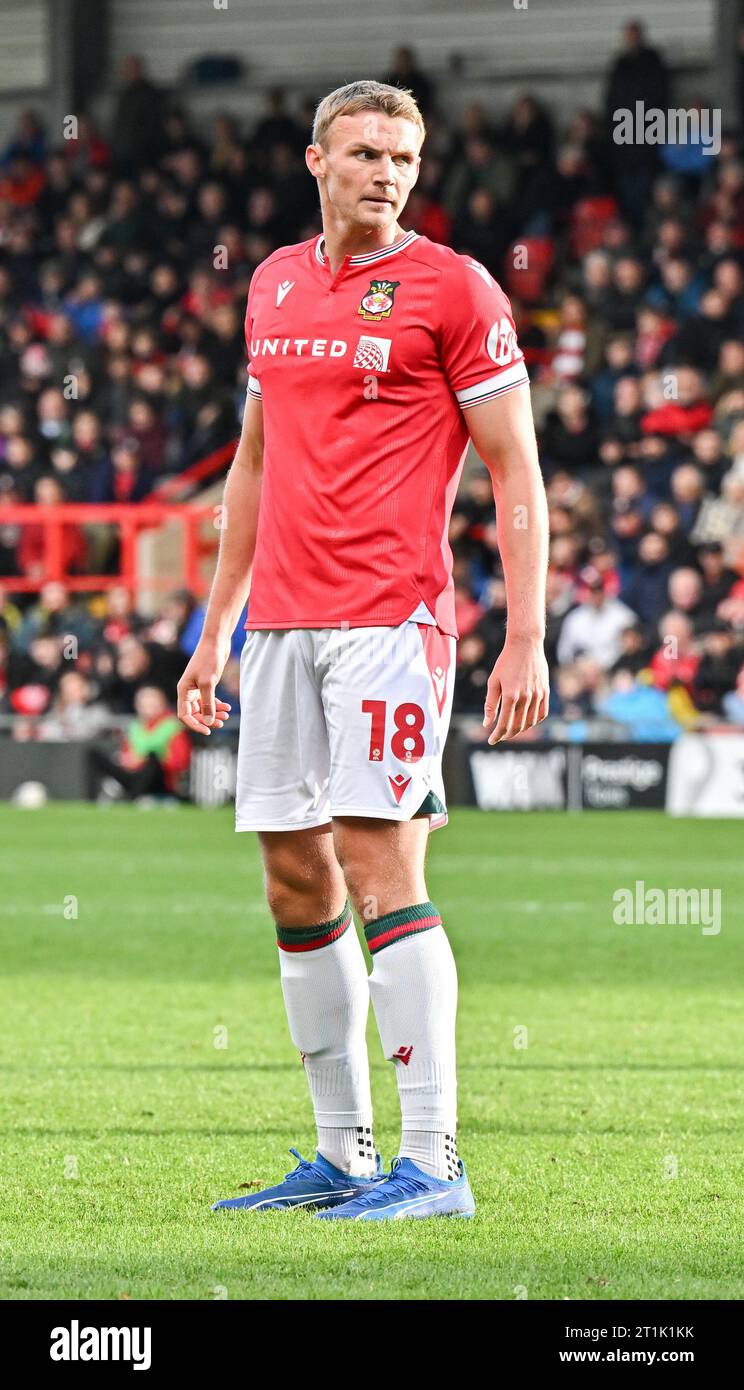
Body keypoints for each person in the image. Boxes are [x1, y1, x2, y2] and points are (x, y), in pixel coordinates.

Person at [177, 79, 549, 1221]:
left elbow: (515, 470)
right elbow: (250, 465)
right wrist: (213, 630)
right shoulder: (275, 284)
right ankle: (342, 1154)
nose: (387, 171)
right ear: (316, 161)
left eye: (404, 155)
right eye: (366, 152)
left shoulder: (456, 290)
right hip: (281, 625)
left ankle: (433, 1162)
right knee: (295, 878)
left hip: (392, 623)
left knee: (384, 869)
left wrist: (524, 633)